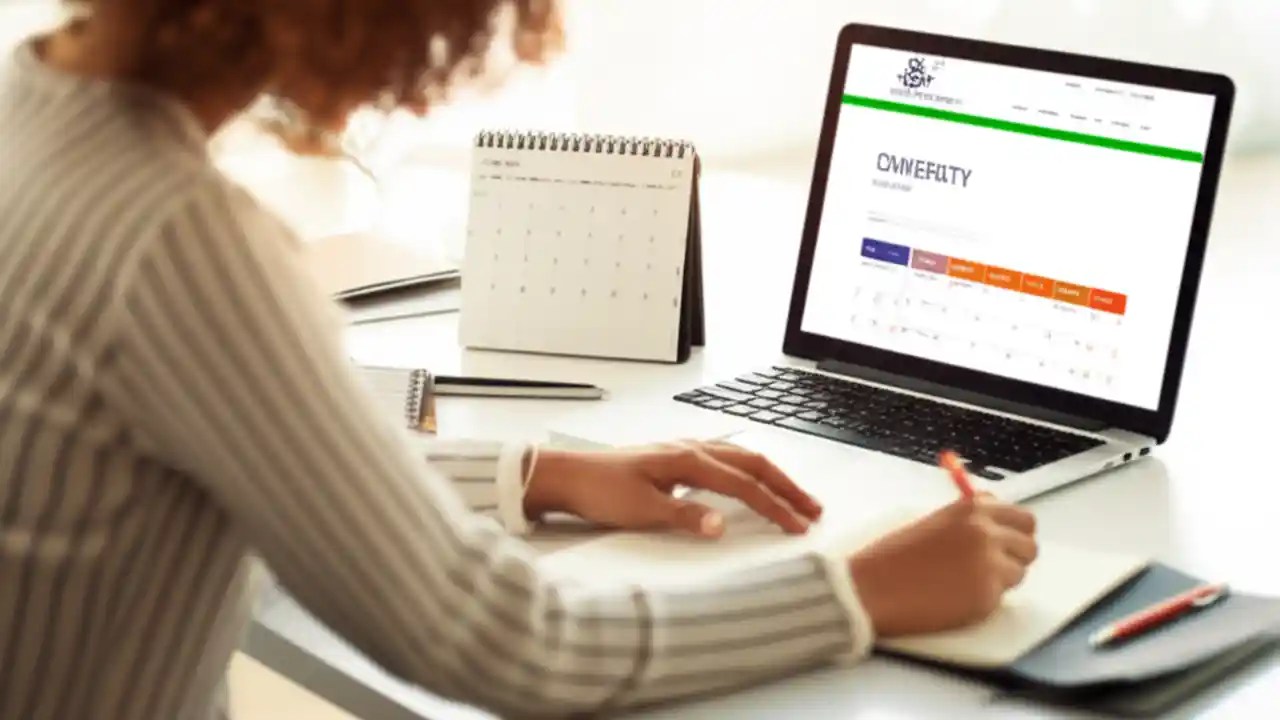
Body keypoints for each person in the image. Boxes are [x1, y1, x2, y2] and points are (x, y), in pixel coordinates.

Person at [0, 1, 1038, 718]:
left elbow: (216, 456)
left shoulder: (28, 116)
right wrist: (851, 591)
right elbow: (498, 640)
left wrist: (536, 475)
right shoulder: (181, 240)